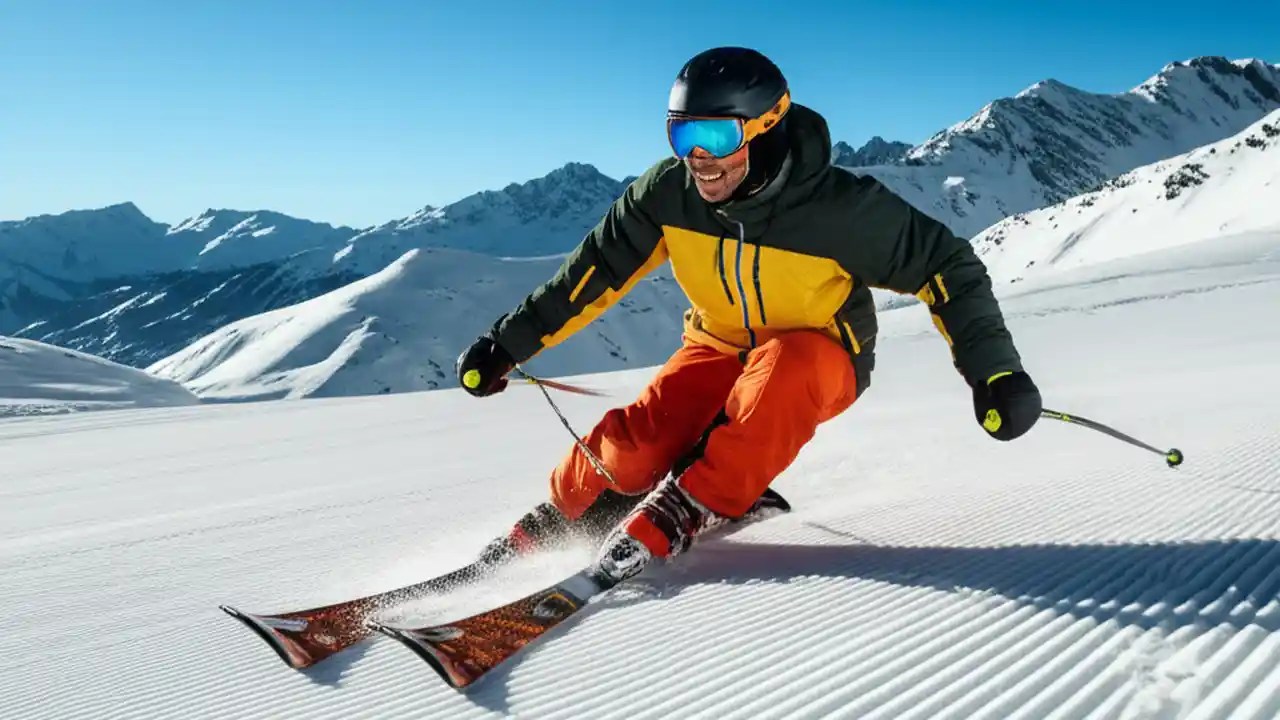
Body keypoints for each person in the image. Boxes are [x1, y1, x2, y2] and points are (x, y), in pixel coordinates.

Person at [455, 46, 1042, 581]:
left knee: (785, 368)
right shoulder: (668, 195)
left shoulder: (840, 210)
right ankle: (562, 516)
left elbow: (948, 268)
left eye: (715, 135)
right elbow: (591, 275)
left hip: (819, 355)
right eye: (683, 138)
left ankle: (696, 502)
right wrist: (507, 345)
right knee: (637, 445)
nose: (700, 160)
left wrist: (996, 374)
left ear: (764, 130)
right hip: (716, 346)